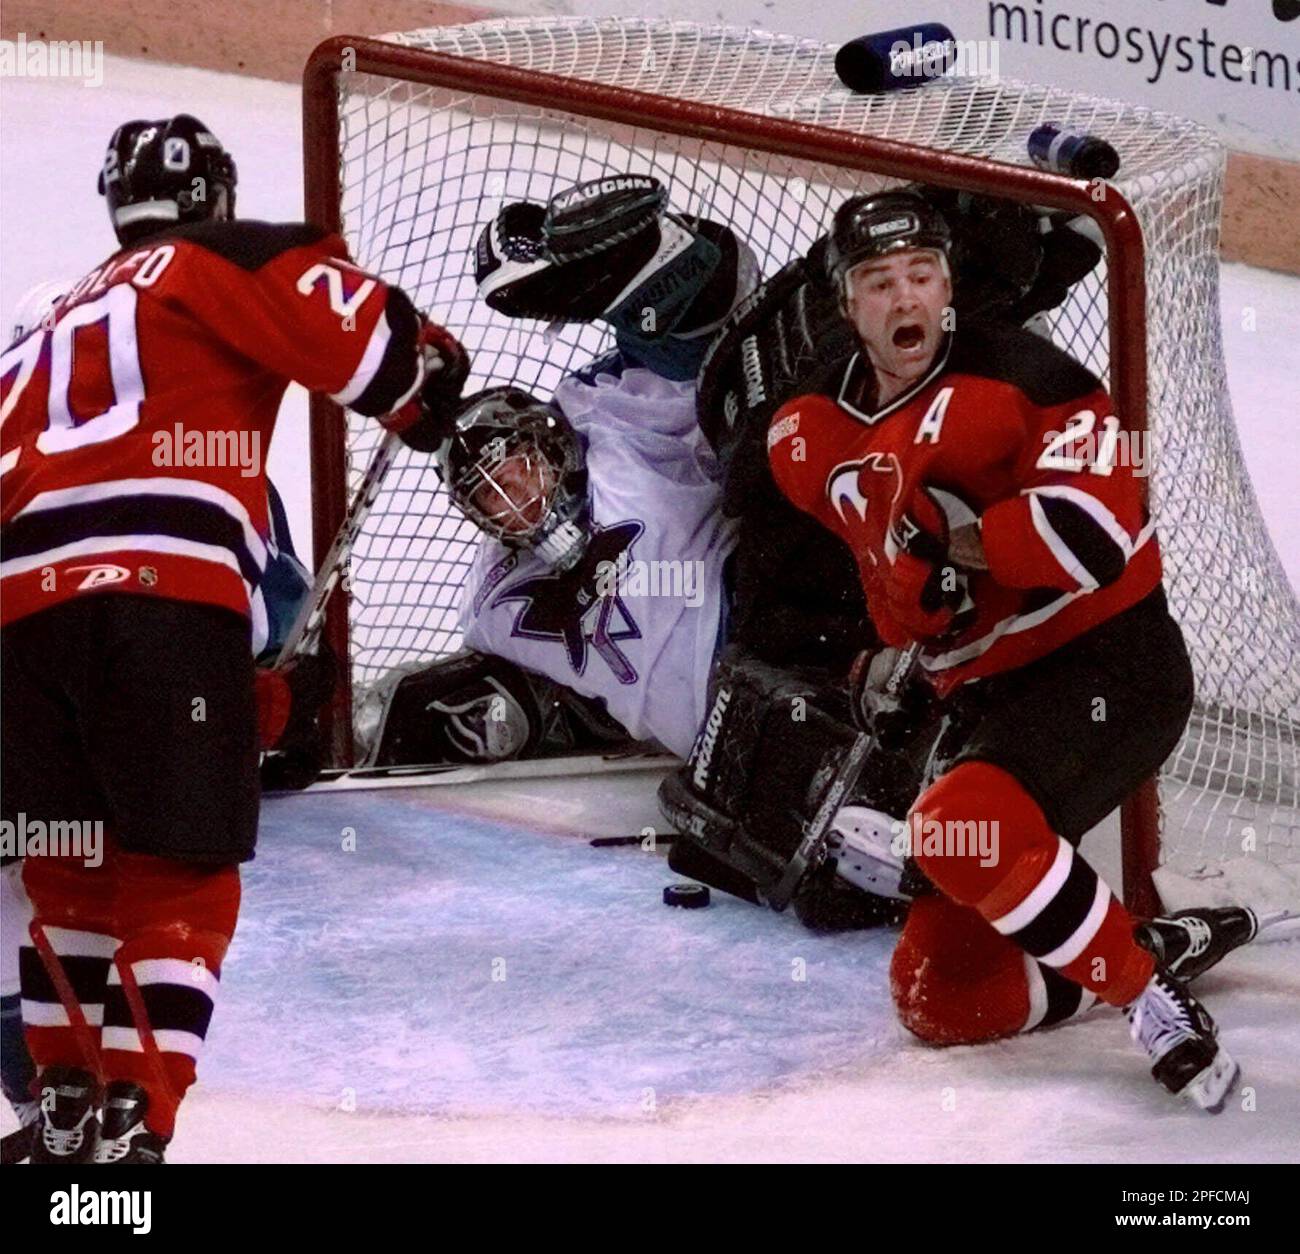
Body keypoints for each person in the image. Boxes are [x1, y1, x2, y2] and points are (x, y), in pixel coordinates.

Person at [0, 113, 467, 1162]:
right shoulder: (229, 253)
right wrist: (430, 374)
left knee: (71, 874)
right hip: (159, 598)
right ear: (214, 195)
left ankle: (65, 1126)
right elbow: (383, 356)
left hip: (19, 616)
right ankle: (131, 1151)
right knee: (180, 877)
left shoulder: (45, 326)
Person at [765, 187, 1245, 1110]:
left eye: (921, 275)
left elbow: (1103, 533)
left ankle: (1152, 1002)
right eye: (877, 282)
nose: (905, 300)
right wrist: (902, 628)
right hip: (982, 694)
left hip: (1111, 666)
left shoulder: (1030, 378)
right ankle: (1145, 943)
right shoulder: (805, 436)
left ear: (948, 286)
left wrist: (956, 542)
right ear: (845, 305)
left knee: (955, 829)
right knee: (940, 996)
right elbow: (883, 586)